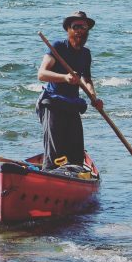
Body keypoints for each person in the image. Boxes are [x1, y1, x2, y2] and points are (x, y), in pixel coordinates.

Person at [36, 11, 103, 170]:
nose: (81, 30)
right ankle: (51, 174)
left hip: (72, 104)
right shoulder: (58, 47)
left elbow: (86, 79)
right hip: (52, 102)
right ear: (68, 29)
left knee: (76, 154)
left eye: (84, 27)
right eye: (76, 27)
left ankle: (74, 177)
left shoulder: (86, 54)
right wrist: (64, 77)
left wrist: (94, 98)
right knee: (55, 153)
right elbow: (42, 74)